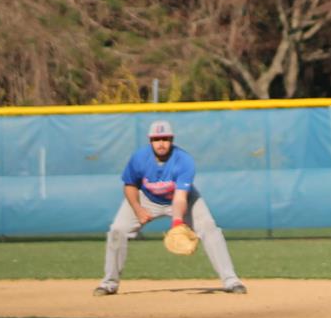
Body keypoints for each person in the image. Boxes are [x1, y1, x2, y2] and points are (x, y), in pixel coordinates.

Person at [95, 118, 247, 296]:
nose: (161, 143)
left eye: (165, 139)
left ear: (172, 140)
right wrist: (138, 209)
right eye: (156, 139)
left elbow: (180, 197)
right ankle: (109, 283)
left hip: (183, 198)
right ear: (150, 140)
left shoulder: (184, 160)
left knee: (209, 228)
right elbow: (129, 185)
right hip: (146, 198)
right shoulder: (139, 158)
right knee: (117, 230)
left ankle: (231, 280)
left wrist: (177, 223)